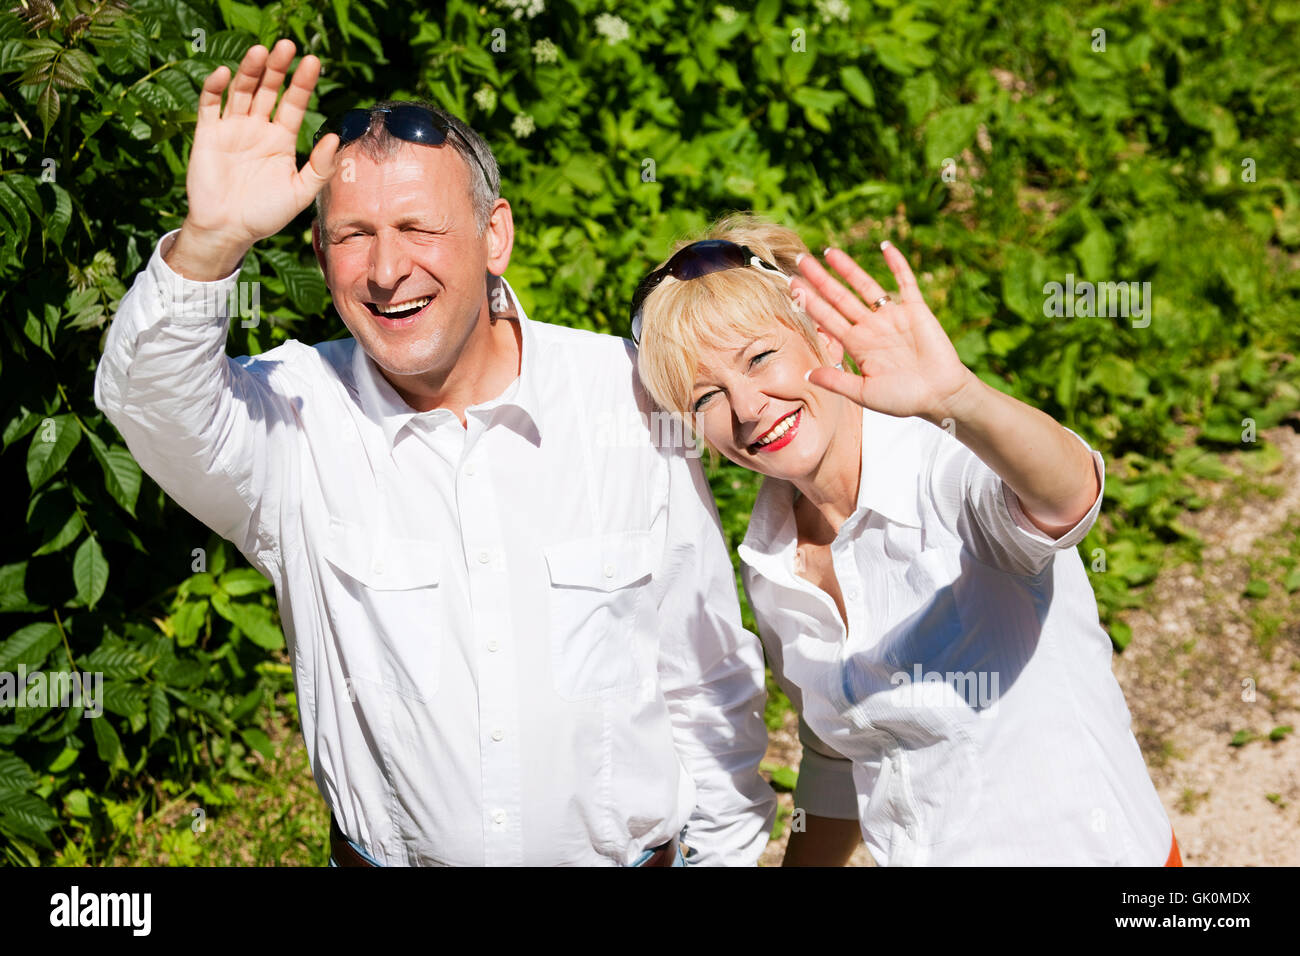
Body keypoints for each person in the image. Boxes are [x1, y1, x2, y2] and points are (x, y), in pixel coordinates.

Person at [93, 40, 776, 866]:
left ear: (495, 236)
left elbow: (703, 677)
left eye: (418, 226)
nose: (386, 270)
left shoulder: (622, 397)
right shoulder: (292, 415)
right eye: (352, 235)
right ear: (319, 255)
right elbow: (145, 401)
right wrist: (211, 242)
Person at [631, 214, 1180, 866]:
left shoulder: (941, 466)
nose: (748, 406)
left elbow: (1068, 495)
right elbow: (840, 756)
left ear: (825, 340)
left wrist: (961, 399)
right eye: (707, 397)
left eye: (759, 358)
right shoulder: (769, 564)